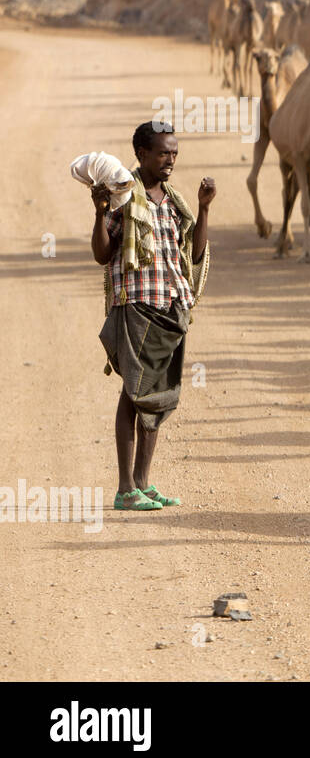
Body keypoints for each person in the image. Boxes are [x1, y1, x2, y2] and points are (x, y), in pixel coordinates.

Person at [91, 121, 215, 511]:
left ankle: (143, 482)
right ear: (142, 154)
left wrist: (204, 207)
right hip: (137, 304)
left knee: (158, 398)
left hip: (171, 305)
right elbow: (101, 253)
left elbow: (192, 256)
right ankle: (125, 487)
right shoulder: (123, 195)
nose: (170, 160)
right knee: (133, 392)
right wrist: (98, 213)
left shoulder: (175, 201)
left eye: (174, 153)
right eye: (163, 153)